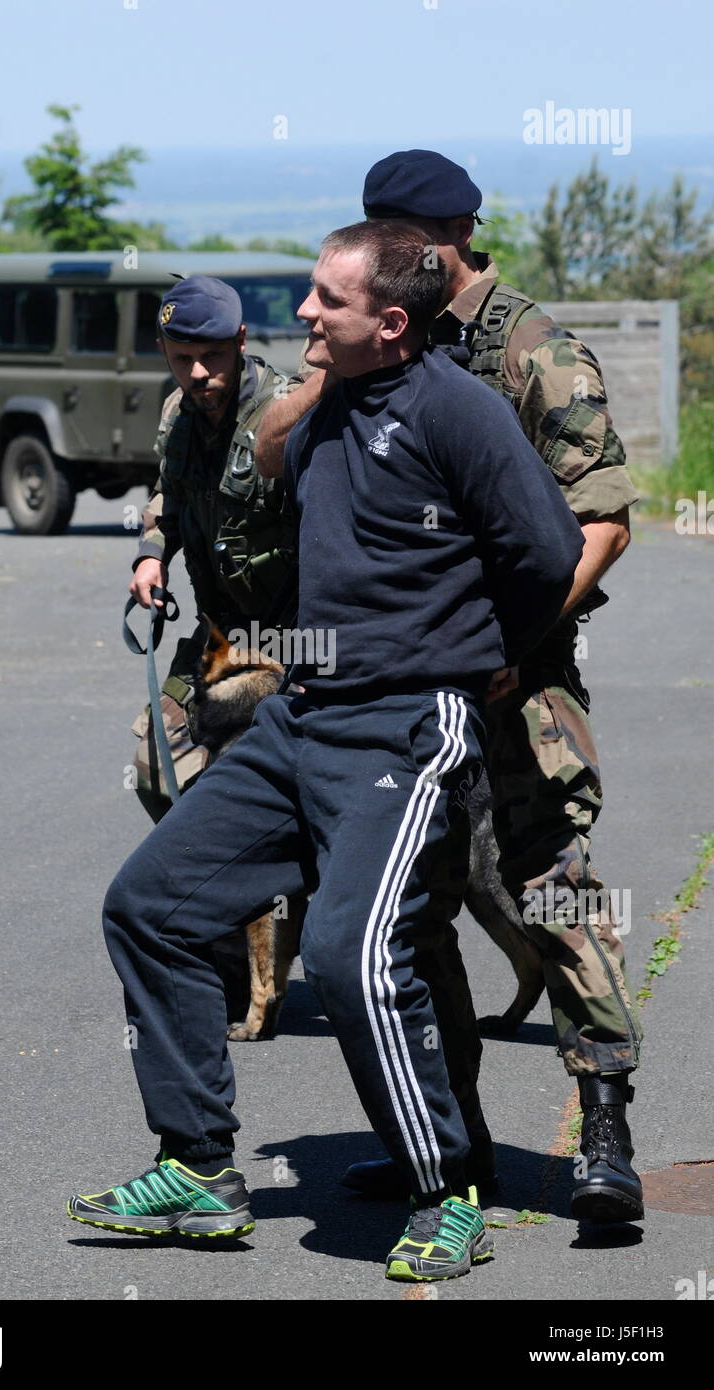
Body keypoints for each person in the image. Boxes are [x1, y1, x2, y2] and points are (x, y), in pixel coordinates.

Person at [68, 220, 584, 1283]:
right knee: (149, 904)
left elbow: (546, 550)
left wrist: (489, 653)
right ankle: (199, 1167)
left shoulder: (463, 413)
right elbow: (265, 466)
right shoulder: (329, 405)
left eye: (324, 302)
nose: (302, 313)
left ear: (390, 322)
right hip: (299, 715)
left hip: (405, 726)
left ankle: (443, 1191)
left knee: (351, 954)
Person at [256, 151, 643, 1225]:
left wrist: (513, 640)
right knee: (415, 913)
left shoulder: (532, 347)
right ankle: (447, 1139)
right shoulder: (378, 332)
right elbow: (270, 452)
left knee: (556, 890)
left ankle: (602, 1129)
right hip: (404, 691)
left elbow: (600, 521)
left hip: (515, 682)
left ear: (443, 239)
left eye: (395, 232)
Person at [129, 275, 294, 823]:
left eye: (213, 356)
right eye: (183, 358)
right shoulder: (177, 413)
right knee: (158, 772)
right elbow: (168, 493)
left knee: (255, 790)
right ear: (164, 352)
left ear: (241, 340)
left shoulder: (286, 415)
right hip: (218, 633)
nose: (198, 372)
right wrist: (152, 553)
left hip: (290, 639)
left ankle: (275, 902)